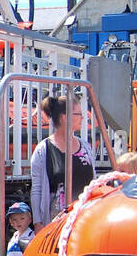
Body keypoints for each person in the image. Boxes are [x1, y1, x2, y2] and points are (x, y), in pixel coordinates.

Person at [30, 94, 95, 226]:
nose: (83, 118)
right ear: (65, 117)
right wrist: (37, 223)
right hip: (57, 224)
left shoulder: (86, 147)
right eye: (78, 114)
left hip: (85, 221)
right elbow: (37, 190)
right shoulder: (44, 150)